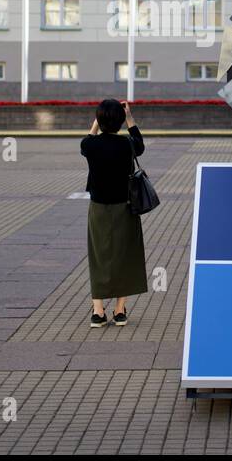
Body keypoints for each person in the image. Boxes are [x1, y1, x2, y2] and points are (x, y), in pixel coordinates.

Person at [80, 99, 148, 328]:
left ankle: (98, 312)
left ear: (99, 120)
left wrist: (96, 123)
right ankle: (120, 311)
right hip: (125, 207)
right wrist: (129, 117)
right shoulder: (127, 144)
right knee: (125, 255)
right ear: (120, 120)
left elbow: (86, 142)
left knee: (98, 256)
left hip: (98, 208)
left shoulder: (91, 146)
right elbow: (140, 142)